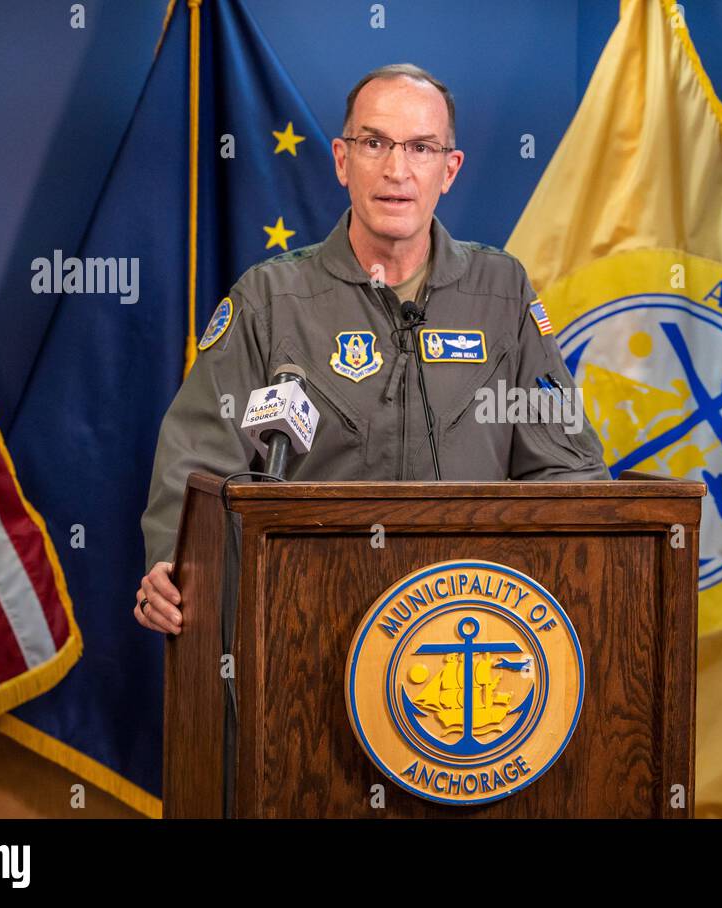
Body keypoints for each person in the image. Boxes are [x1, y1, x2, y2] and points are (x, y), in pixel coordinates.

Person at [135, 64, 609, 635]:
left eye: (421, 147)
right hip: (306, 627)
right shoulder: (272, 299)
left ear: (449, 169)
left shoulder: (501, 293)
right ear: (341, 159)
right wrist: (174, 561)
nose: (396, 169)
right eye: (375, 142)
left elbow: (566, 470)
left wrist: (562, 585)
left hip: (471, 625)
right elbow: (197, 464)